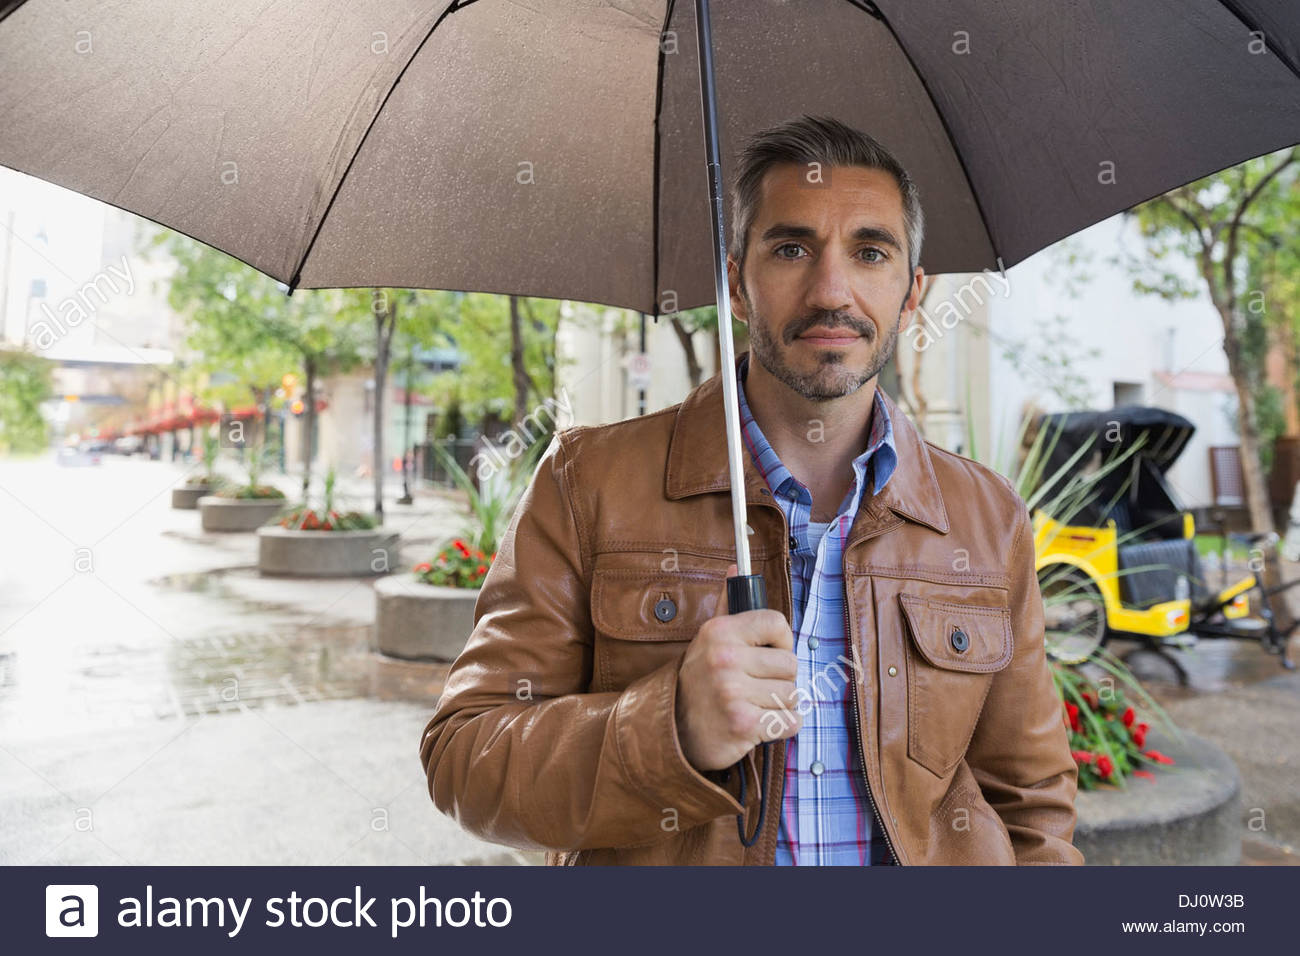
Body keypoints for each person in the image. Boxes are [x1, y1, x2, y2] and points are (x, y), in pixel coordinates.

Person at [420, 115, 1083, 865]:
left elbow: (1031, 806)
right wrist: (670, 725)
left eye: (871, 252)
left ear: (911, 295)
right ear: (737, 283)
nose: (831, 289)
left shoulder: (986, 519)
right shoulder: (587, 485)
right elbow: (465, 758)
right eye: (792, 248)